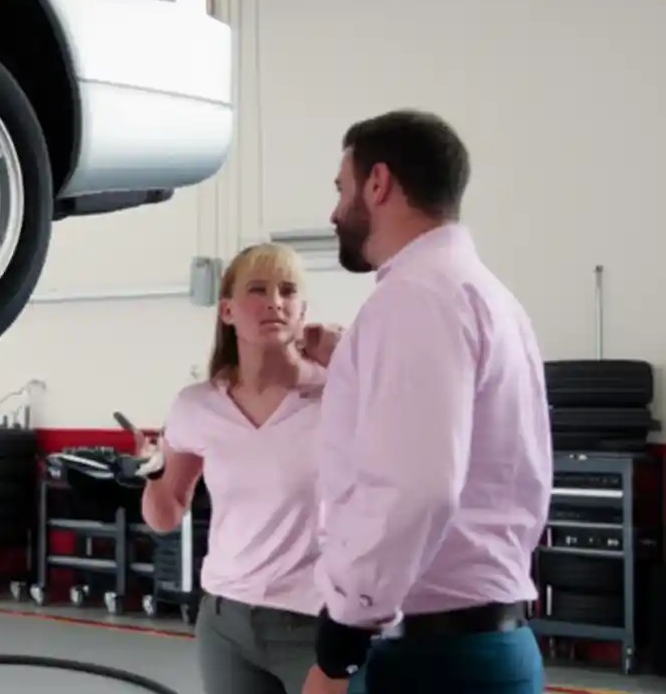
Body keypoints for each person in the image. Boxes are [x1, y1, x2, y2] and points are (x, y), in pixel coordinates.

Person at [300, 110, 553, 694]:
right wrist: (353, 366)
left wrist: (343, 636)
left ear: (378, 183)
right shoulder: (487, 295)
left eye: (342, 189)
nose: (336, 211)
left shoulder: (413, 298)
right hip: (489, 642)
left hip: (429, 660)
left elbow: (416, 487)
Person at [134, 242, 348, 694]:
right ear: (227, 311)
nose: (274, 301)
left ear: (303, 308)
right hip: (227, 624)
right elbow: (166, 514)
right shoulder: (197, 406)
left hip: (320, 623)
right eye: (258, 289)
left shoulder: (340, 392)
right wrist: (152, 473)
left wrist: (348, 357)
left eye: (287, 291)